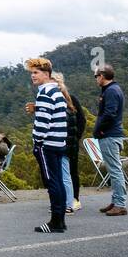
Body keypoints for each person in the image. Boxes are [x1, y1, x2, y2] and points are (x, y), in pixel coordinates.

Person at [25, 57, 69, 233]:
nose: (33, 76)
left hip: (47, 145)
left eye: (36, 73)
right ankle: (60, 221)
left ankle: (55, 222)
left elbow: (43, 123)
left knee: (52, 183)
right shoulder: (57, 92)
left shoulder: (45, 93)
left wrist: (36, 142)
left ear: (46, 73)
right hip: (58, 144)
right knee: (58, 181)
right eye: (32, 73)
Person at [94, 64, 128, 215]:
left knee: (114, 170)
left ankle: (120, 204)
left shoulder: (111, 91)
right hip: (111, 134)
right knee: (113, 169)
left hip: (110, 135)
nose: (96, 79)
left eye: (96, 76)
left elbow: (110, 114)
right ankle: (115, 201)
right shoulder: (112, 90)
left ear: (102, 76)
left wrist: (99, 129)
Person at [52, 71, 86, 213]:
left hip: (69, 143)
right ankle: (65, 200)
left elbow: (82, 120)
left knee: (71, 172)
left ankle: (74, 199)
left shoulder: (71, 99)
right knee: (61, 173)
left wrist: (75, 137)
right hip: (61, 142)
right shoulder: (54, 99)